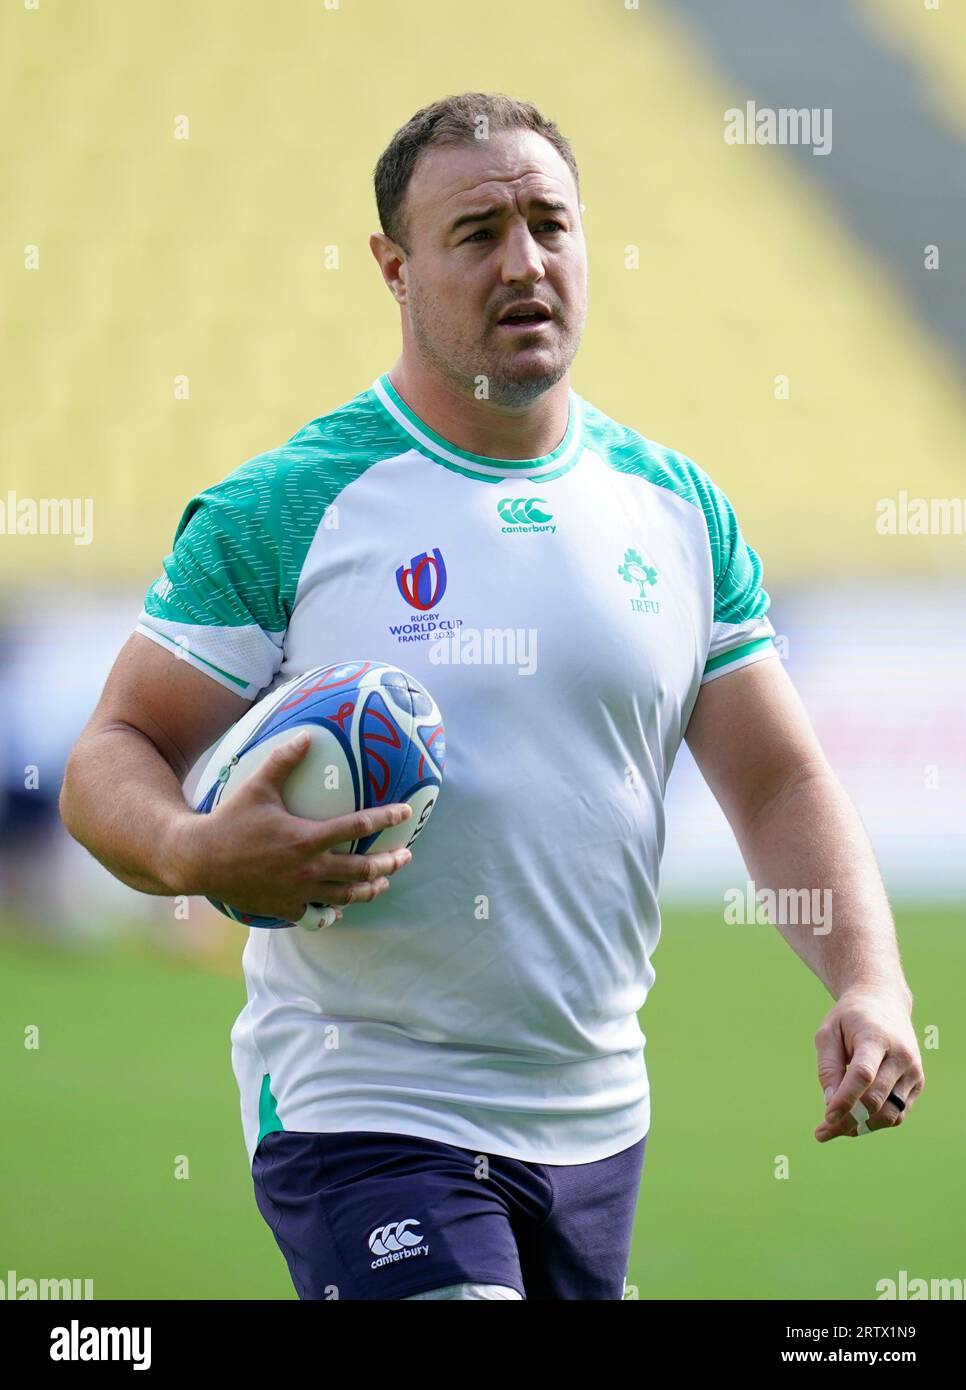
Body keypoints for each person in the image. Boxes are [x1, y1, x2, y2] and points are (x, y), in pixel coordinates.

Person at [59, 92, 924, 1301]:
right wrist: (200, 850)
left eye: (550, 224)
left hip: (595, 1120)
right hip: (363, 1099)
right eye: (477, 233)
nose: (525, 261)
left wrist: (868, 978)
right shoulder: (288, 505)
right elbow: (115, 747)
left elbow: (778, 778)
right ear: (395, 267)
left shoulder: (677, 511)